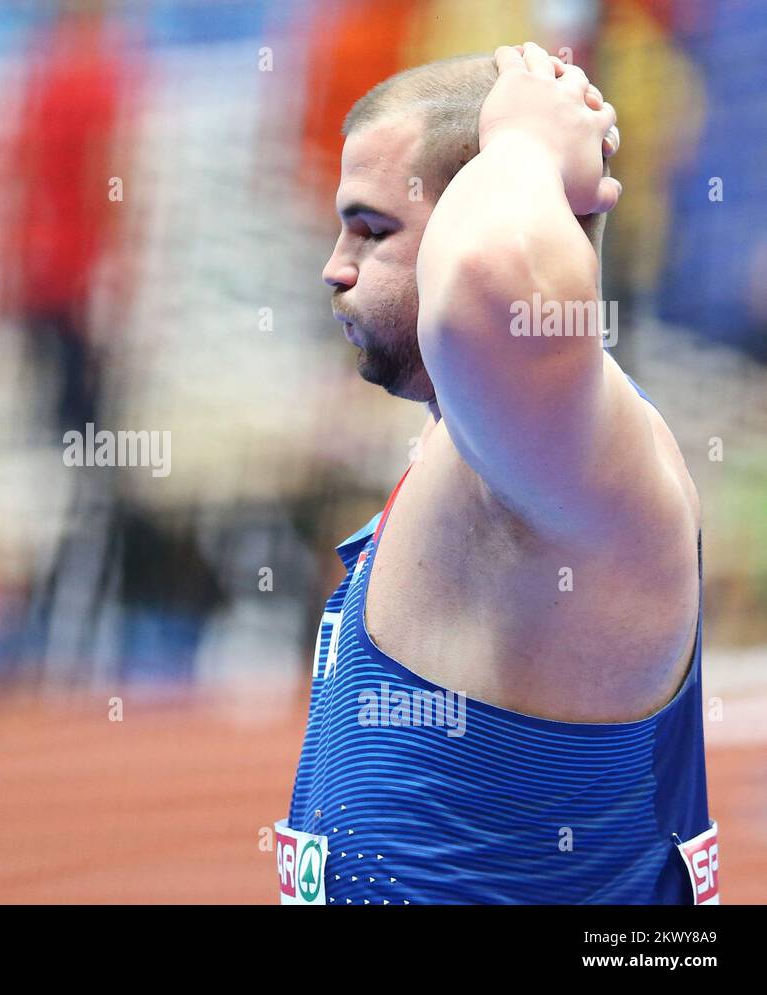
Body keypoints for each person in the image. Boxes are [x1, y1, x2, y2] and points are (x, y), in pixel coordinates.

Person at [276, 44, 718, 905]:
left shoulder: (566, 459)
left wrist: (522, 143)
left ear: (472, 216)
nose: (334, 266)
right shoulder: (480, 447)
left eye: (371, 230)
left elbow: (489, 285)